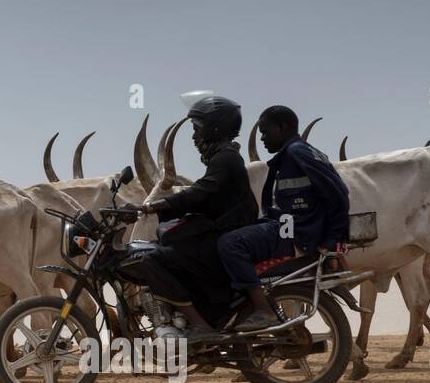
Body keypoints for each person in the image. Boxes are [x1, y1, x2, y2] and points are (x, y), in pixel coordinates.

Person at [128, 95, 258, 337]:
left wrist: (151, 207)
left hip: (225, 234)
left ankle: (199, 325)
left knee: (152, 261)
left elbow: (201, 192)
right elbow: (206, 196)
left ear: (214, 128)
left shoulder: (226, 159)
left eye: (197, 129)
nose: (194, 136)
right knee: (167, 245)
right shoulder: (224, 157)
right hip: (222, 231)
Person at [217, 105, 351, 330]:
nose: (262, 138)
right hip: (293, 229)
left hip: (297, 234)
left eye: (265, 132)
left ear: (283, 127)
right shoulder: (298, 153)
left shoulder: (298, 153)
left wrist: (332, 241)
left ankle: (263, 310)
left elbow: (339, 195)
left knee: (229, 243)